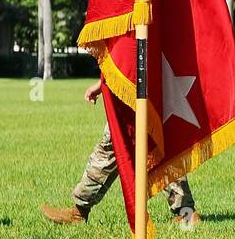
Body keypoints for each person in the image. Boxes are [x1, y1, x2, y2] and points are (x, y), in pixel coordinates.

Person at [40, 78, 199, 228]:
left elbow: (129, 53)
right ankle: (186, 211)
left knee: (117, 142)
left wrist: (104, 82)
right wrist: (102, 83)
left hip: (135, 83)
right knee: (150, 144)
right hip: (136, 81)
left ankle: (79, 210)